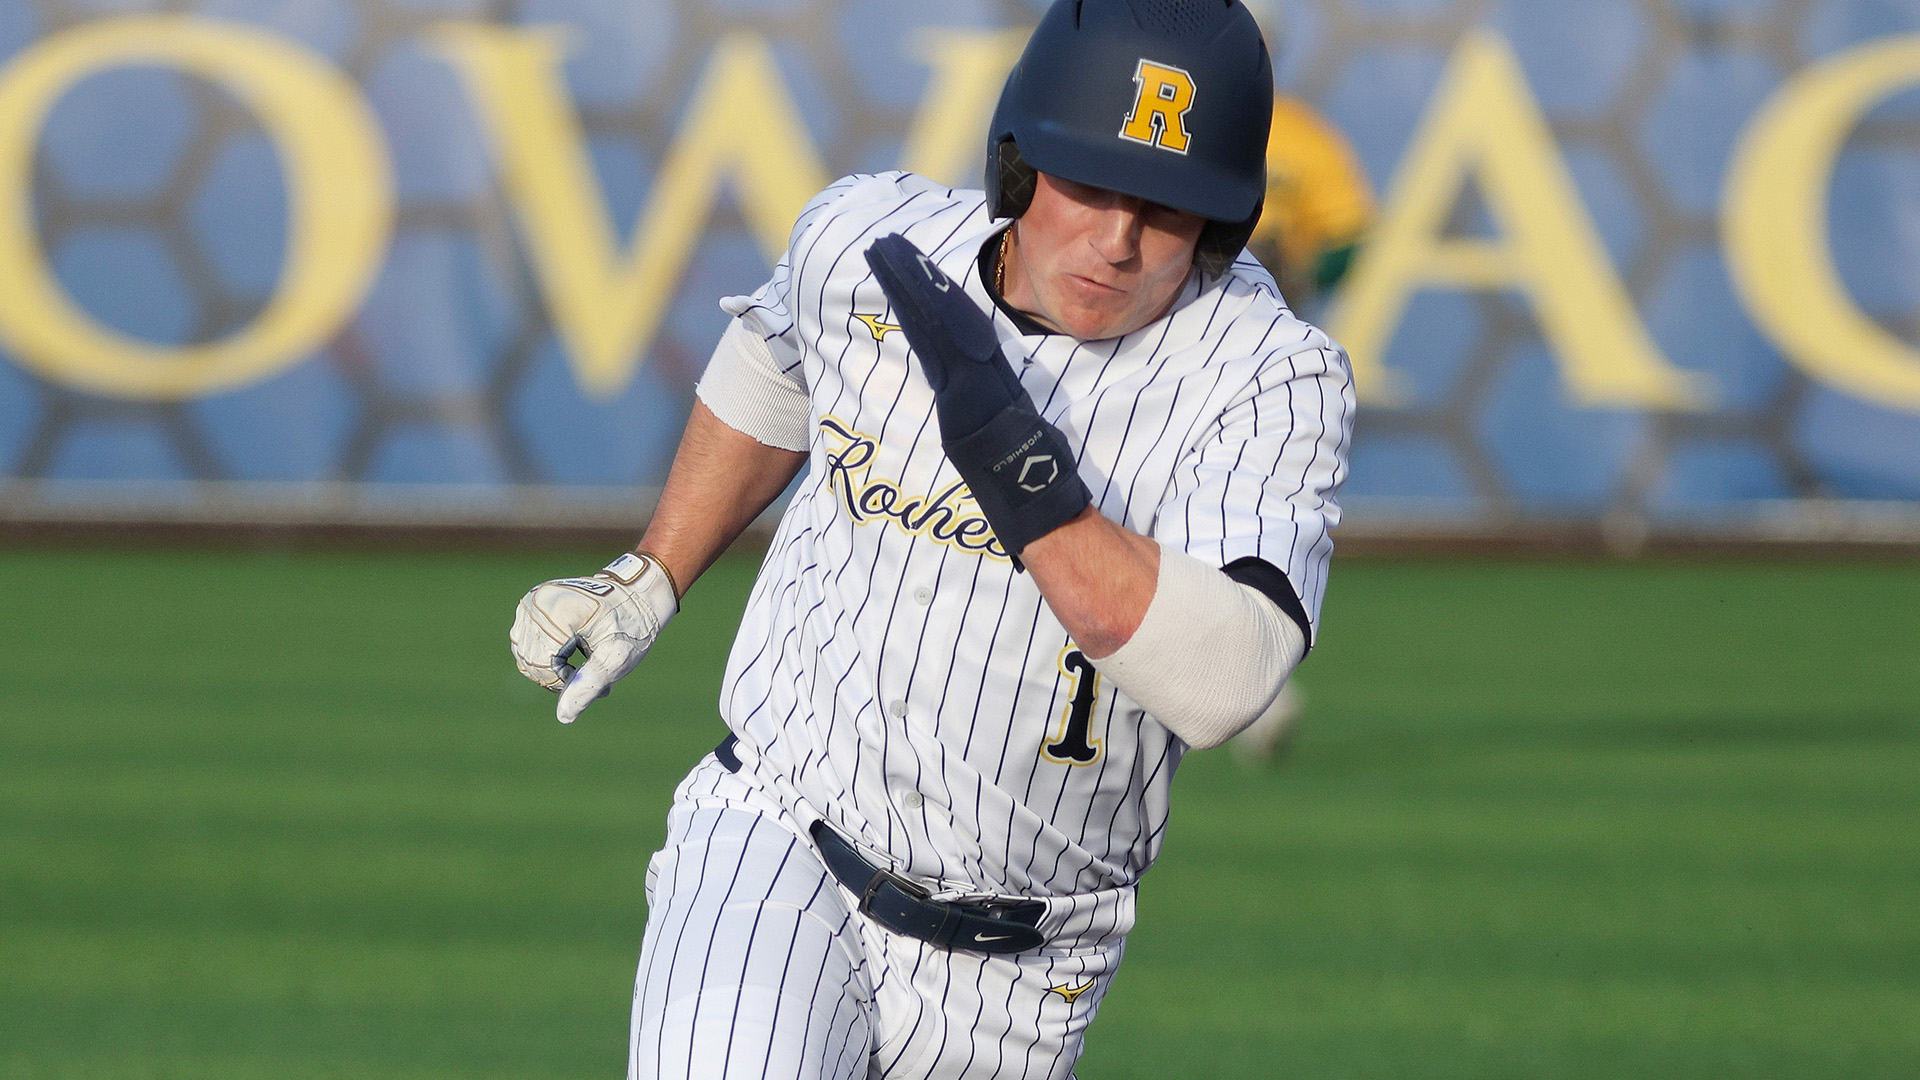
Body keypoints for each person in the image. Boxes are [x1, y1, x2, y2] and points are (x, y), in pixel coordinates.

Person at [508, 2, 1351, 1077]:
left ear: (1224, 227)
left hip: (1026, 969)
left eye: (1171, 207)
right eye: (1090, 185)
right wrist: (654, 571)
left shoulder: (1267, 374)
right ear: (1018, 164)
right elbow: (777, 357)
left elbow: (1229, 679)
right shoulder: (874, 246)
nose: (1119, 240)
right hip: (784, 834)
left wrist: (1020, 473)